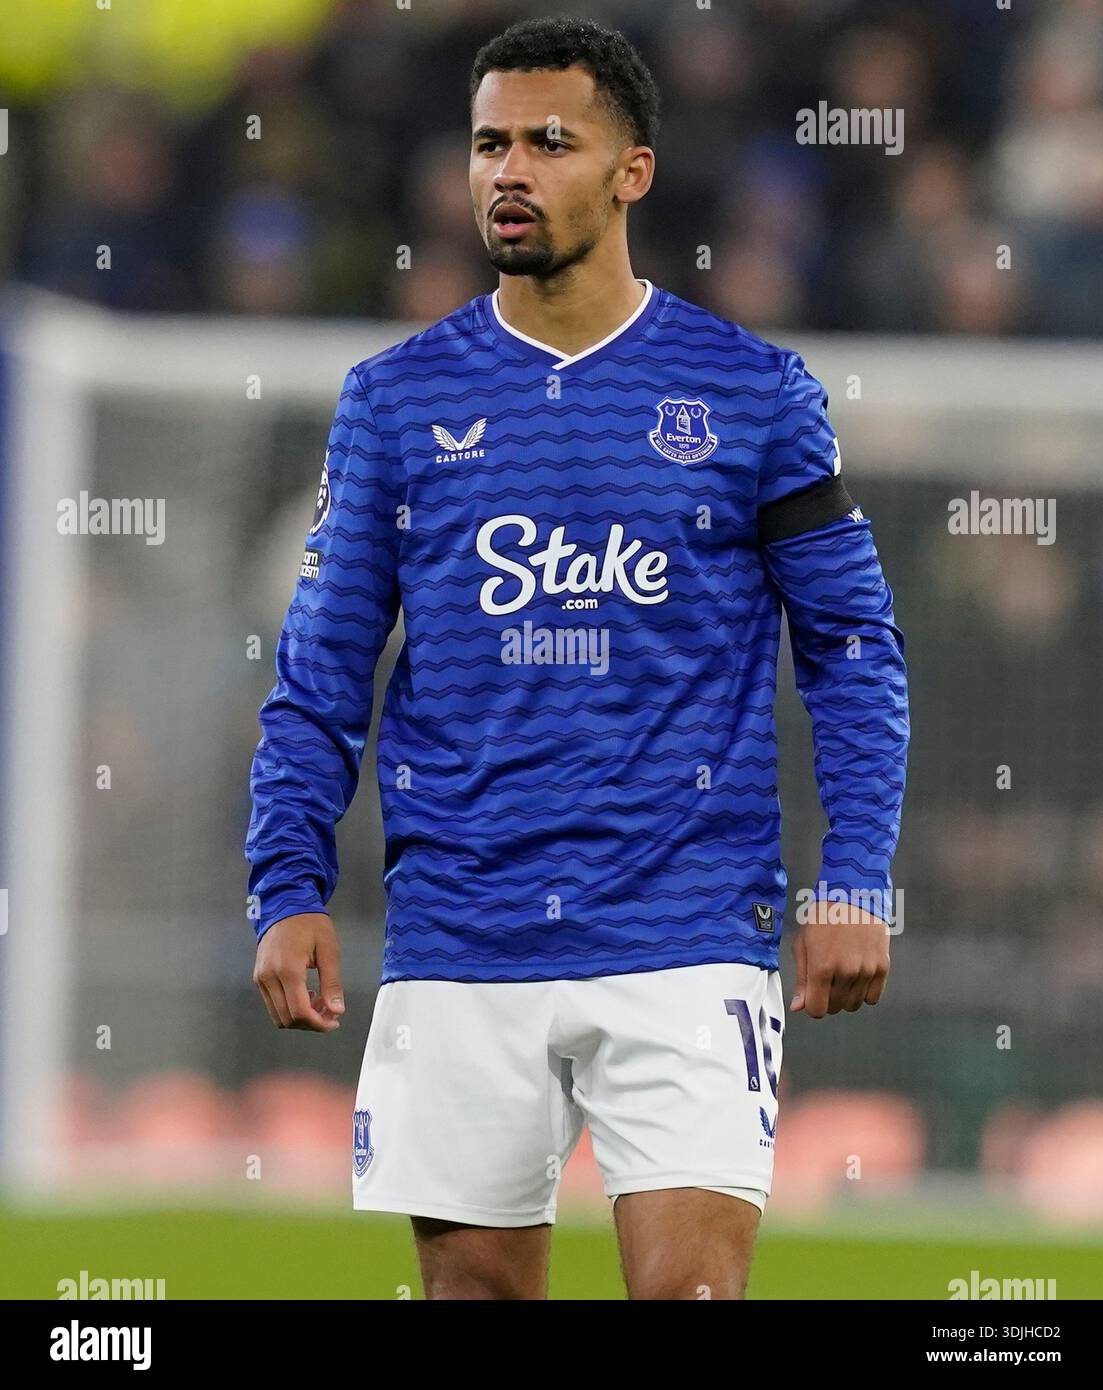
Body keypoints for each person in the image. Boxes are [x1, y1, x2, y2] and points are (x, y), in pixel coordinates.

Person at [246, 15, 909, 1301]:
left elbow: (851, 644)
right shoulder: (395, 400)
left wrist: (860, 878)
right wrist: (286, 883)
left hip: (688, 918)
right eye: (489, 142)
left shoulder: (751, 392)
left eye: (550, 142)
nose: (510, 170)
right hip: (461, 926)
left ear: (631, 170)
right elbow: (320, 671)